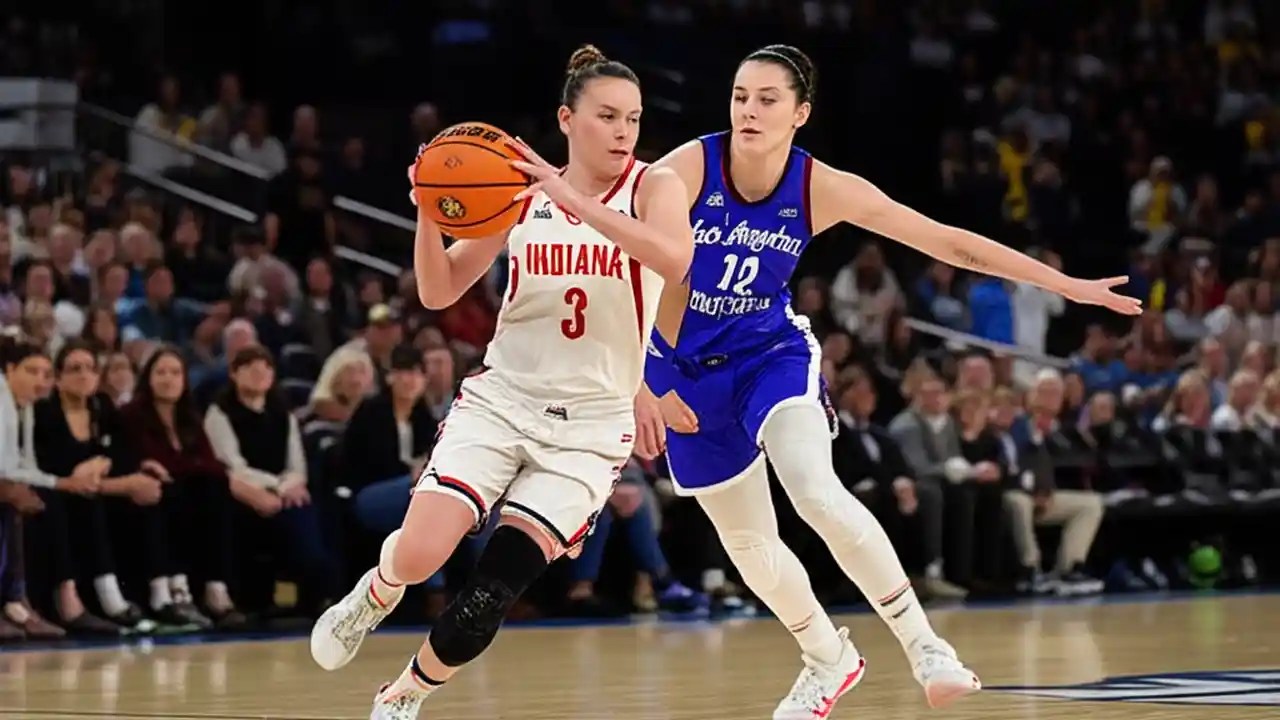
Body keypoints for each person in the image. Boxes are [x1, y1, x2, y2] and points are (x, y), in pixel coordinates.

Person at [632, 45, 1141, 719]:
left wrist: (1065, 284)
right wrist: (644, 379)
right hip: (680, 373)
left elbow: (945, 241)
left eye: (767, 99)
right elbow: (633, 278)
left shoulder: (820, 187)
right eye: (740, 96)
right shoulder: (684, 171)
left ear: (800, 113)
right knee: (751, 549)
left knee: (814, 489)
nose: (748, 110)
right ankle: (826, 659)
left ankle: (928, 647)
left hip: (770, 356)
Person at [309, 45, 693, 720]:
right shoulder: (514, 189)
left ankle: (405, 693)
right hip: (504, 400)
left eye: (632, 117)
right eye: (607, 116)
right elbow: (437, 289)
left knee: (491, 593)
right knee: (423, 552)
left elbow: (672, 258)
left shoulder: (654, 187)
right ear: (567, 119)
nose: (624, 130)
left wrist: (569, 196)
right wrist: (431, 209)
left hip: (592, 426)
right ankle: (378, 589)